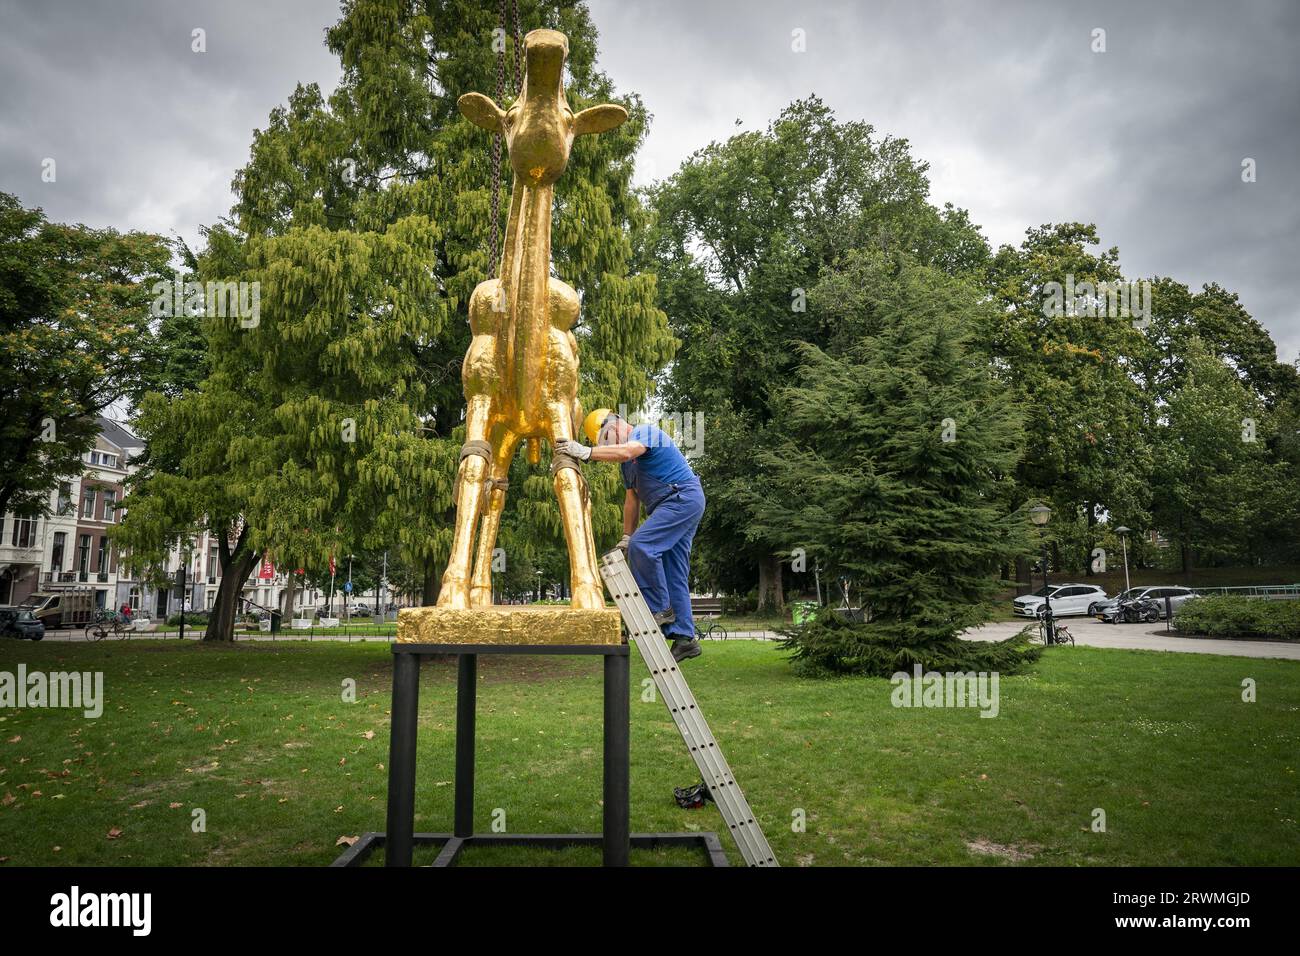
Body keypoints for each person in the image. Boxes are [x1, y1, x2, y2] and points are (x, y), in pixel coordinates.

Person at [557, 409, 706, 662]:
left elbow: (627, 451)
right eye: (602, 443)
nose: (608, 445)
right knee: (673, 571)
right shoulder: (627, 467)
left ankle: (658, 609)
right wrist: (627, 536)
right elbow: (631, 500)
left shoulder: (644, 432)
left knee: (644, 546)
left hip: (681, 498)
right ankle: (685, 639)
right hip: (675, 505)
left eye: (606, 439)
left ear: (614, 424)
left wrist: (586, 452)